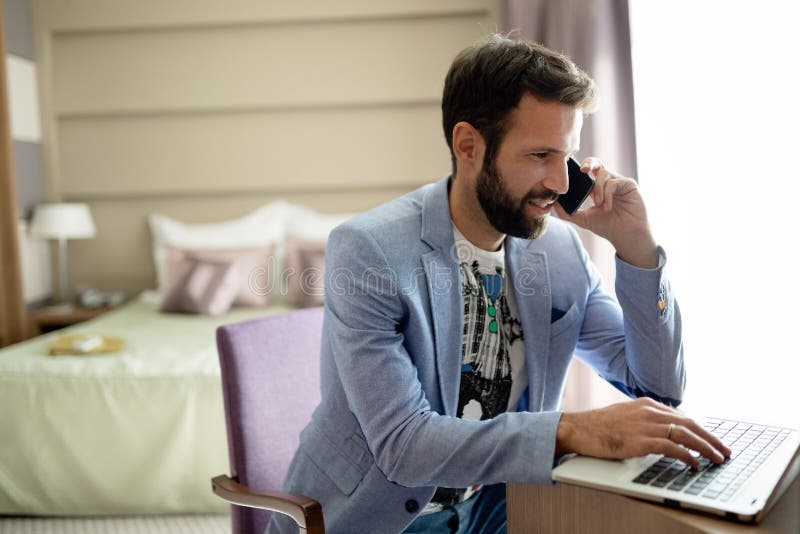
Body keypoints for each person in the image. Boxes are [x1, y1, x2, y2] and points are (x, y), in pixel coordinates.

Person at [267, 34, 730, 534]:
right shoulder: (368, 252)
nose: (559, 181)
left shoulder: (558, 251)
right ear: (468, 145)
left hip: (499, 505)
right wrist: (572, 429)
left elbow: (657, 388)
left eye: (568, 155)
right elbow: (404, 447)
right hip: (385, 515)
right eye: (539, 155)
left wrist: (637, 249)